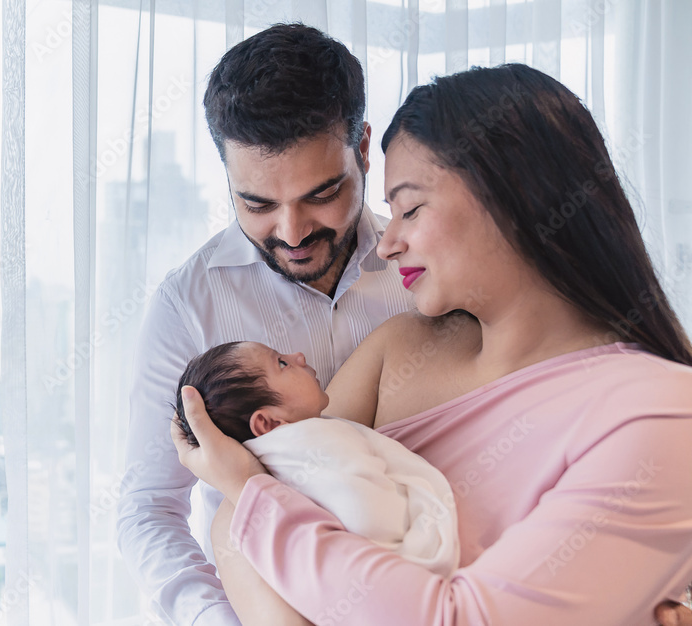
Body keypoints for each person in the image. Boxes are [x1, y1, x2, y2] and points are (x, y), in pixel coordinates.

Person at [173, 63, 692, 625]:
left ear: (514, 195)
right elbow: (237, 520)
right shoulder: (396, 349)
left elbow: (457, 619)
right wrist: (249, 496)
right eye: (391, 213)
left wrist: (253, 498)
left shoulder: (659, 414)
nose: (388, 242)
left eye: (411, 208)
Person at [115, 24, 412, 626]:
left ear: (362, 147)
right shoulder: (187, 302)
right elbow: (150, 507)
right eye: (256, 204)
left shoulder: (427, 270)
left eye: (321, 194)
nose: (293, 231)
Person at [172, 340, 460, 581]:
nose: (299, 356)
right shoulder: (312, 445)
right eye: (282, 363)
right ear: (269, 422)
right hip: (398, 572)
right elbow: (371, 516)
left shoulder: (292, 449)